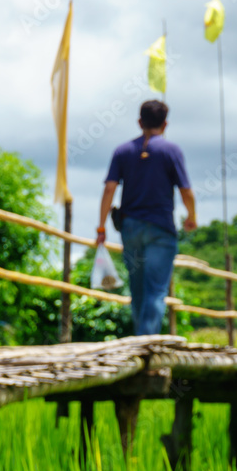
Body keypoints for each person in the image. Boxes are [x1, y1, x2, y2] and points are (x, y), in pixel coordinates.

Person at [96, 100, 196, 336]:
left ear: (140, 122)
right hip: (160, 230)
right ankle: (146, 345)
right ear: (165, 124)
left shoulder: (122, 151)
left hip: (130, 229)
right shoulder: (171, 151)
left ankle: (139, 342)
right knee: (155, 291)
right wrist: (191, 216)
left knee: (138, 290)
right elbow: (186, 191)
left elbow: (109, 189)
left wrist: (101, 227)